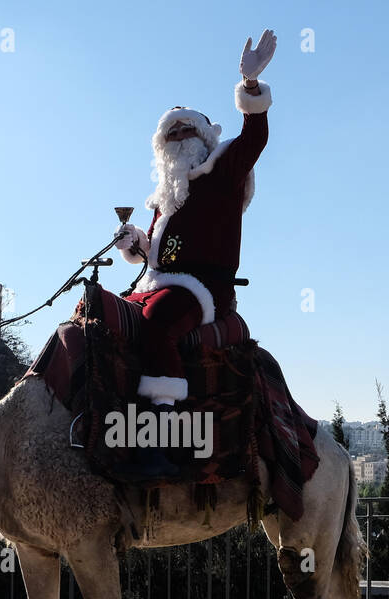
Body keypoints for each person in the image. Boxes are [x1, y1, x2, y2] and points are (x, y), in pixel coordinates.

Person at [110, 29, 277, 480]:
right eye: (172, 133)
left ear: (204, 137)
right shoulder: (166, 196)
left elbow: (254, 138)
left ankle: (160, 438)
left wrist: (251, 85)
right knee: (105, 317)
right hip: (158, 282)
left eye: (187, 129)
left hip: (203, 291)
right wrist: (136, 246)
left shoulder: (221, 171)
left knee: (155, 323)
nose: (180, 136)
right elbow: (158, 255)